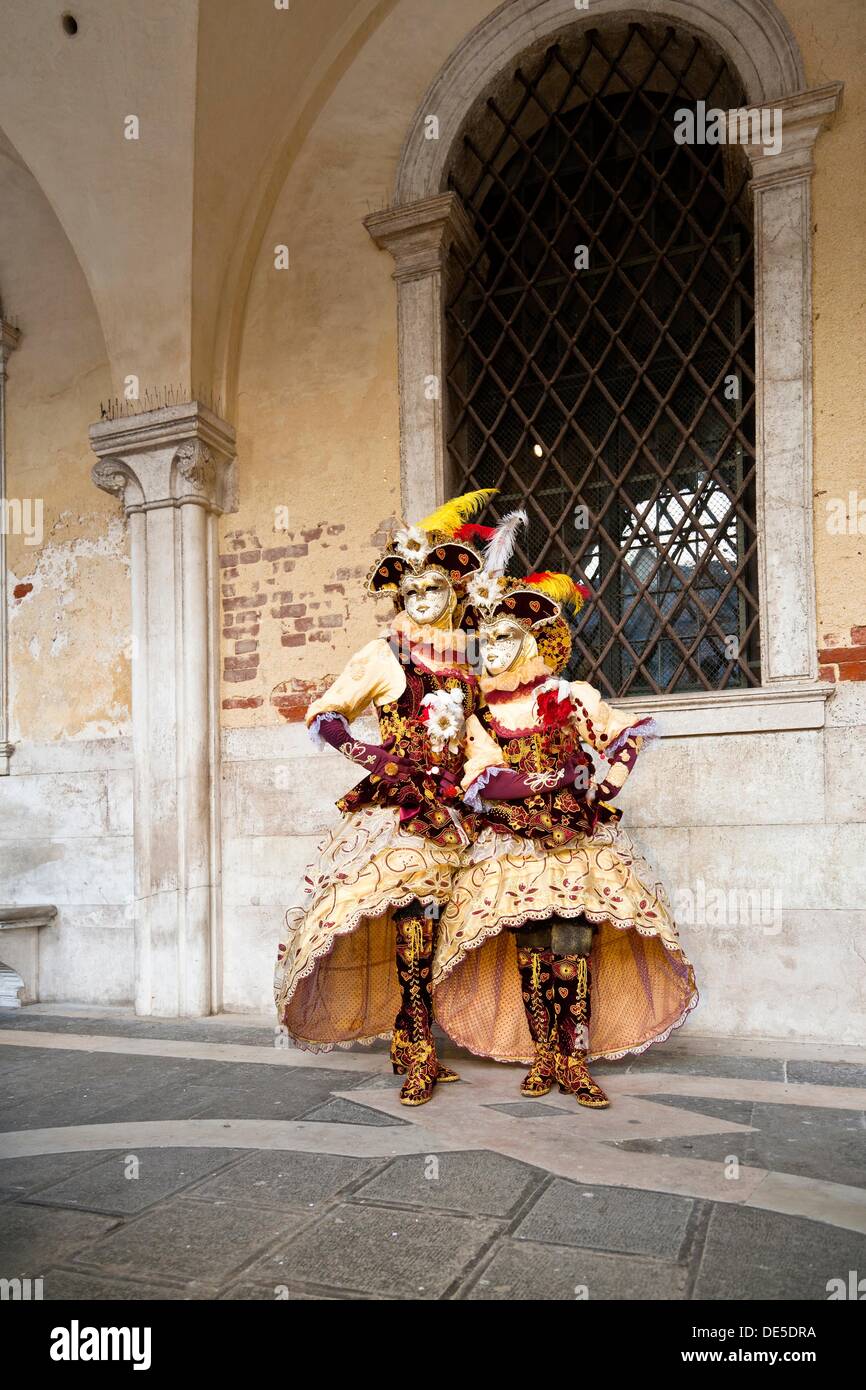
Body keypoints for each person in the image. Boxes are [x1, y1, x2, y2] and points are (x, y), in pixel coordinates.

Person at [432, 516, 699, 1108]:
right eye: (489, 641)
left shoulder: (572, 697)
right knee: (530, 947)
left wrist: (606, 785)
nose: (497, 649)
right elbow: (483, 779)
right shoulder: (481, 717)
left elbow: (627, 735)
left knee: (573, 944)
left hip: (578, 840)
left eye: (507, 638)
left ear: (529, 642)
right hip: (516, 843)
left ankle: (574, 1057)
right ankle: (542, 1054)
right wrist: (538, 779)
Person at [274, 489, 495, 1105]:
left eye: (436, 591)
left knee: (447, 922)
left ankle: (411, 1034)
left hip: (457, 807)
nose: (425, 602)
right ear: (401, 598)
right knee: (416, 922)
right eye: (414, 593)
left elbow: (479, 733)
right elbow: (325, 713)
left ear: (453, 595)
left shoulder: (467, 661)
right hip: (403, 809)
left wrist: (489, 776)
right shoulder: (383, 653)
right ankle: (420, 1048)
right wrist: (373, 758)